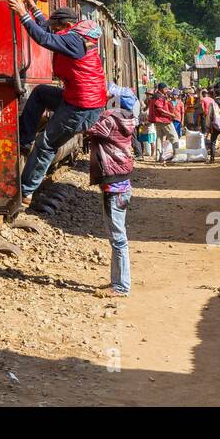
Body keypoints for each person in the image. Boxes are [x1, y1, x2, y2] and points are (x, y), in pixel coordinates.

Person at [9, 0, 107, 204]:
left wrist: (22, 15)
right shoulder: (77, 35)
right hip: (79, 98)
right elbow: (48, 30)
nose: (52, 29)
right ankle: (25, 141)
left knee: (46, 144)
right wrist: (34, 9)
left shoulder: (74, 41)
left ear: (66, 26)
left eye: (56, 26)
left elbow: (44, 38)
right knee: (41, 93)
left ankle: (25, 191)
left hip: (81, 107)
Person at [85, 104, 136, 297]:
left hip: (113, 189)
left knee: (118, 240)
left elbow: (84, 125)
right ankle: (117, 282)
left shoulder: (109, 121)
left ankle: (121, 286)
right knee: (118, 238)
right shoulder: (126, 121)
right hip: (122, 186)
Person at [146, 84, 178, 162]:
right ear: (161, 89)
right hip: (164, 120)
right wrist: (171, 114)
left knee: (159, 138)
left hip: (157, 121)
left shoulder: (154, 96)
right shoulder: (159, 97)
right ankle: (177, 155)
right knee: (174, 137)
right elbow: (160, 109)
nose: (167, 90)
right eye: (165, 89)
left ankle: (158, 157)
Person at [205, 90, 220, 164]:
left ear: (215, 94)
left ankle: (212, 159)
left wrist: (207, 126)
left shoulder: (213, 103)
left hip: (215, 125)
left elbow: (209, 115)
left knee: (213, 142)